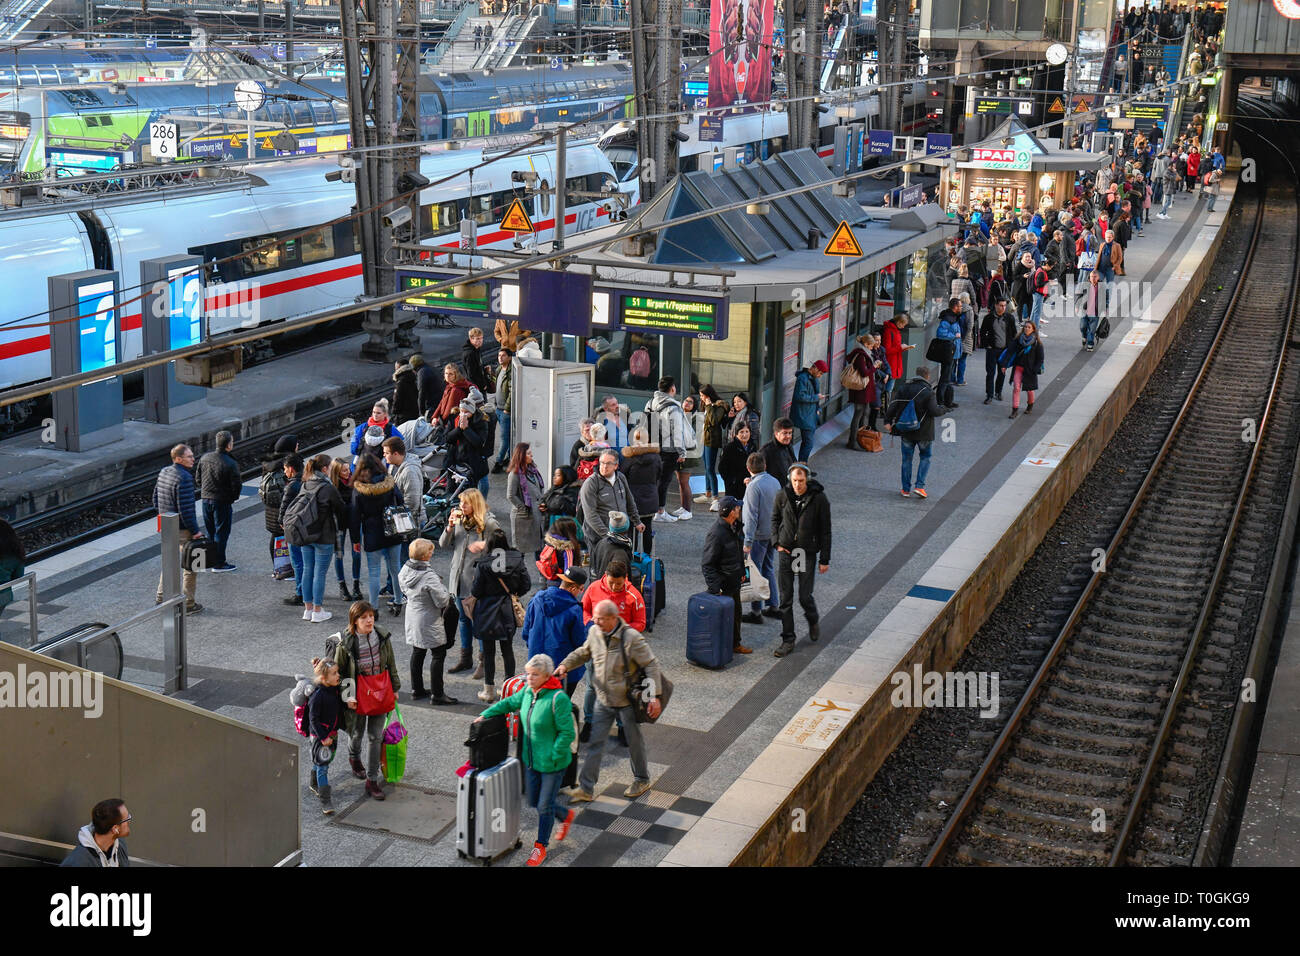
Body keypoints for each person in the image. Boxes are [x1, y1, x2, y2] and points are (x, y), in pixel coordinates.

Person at [554, 599, 663, 801]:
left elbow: (651, 664)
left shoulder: (631, 638)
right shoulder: (595, 632)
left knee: (634, 741)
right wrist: (565, 665)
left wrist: (654, 697)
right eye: (595, 617)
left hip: (627, 700)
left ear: (614, 618)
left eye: (601, 619)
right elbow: (584, 652)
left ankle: (642, 778)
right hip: (603, 698)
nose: (596, 621)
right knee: (596, 742)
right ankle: (586, 788)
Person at [476, 653, 577, 866]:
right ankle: (565, 814)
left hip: (552, 763)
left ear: (547, 676)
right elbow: (509, 703)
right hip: (531, 760)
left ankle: (540, 847)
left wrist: (554, 754)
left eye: (535, 675)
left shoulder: (558, 699)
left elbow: (567, 733)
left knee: (543, 806)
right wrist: (487, 714)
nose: (529, 678)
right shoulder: (528, 693)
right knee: (533, 801)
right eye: (528, 674)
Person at [333, 600, 401, 800]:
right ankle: (354, 757)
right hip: (358, 693)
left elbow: (391, 662)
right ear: (354, 621)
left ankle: (372, 781)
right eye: (363, 617)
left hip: (380, 690)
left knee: (375, 737)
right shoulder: (346, 643)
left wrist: (395, 688)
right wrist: (348, 697)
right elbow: (341, 671)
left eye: (370, 616)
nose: (369, 620)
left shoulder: (381, 636)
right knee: (357, 733)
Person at [771, 463, 832, 658]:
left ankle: (812, 619)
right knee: (785, 598)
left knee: (805, 596)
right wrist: (776, 542)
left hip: (806, 551)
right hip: (787, 550)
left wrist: (825, 558)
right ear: (790, 479)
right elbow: (774, 519)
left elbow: (825, 530)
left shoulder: (819, 498)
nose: (797, 485)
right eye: (795, 481)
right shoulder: (782, 495)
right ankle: (788, 639)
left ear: (808, 479)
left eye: (801, 481)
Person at [440, 488, 500, 677]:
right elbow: (443, 544)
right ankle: (466, 658)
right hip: (458, 579)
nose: (461, 507)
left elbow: (502, 547)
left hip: (477, 581)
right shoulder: (459, 520)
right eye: (460, 503)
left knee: (479, 622)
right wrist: (449, 527)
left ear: (475, 504)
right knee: (463, 620)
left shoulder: (489, 522)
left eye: (465, 503)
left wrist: (485, 545)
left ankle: (484, 661)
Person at [468, 527, 530, 702]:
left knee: (488, 653)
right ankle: (508, 689)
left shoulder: (483, 564)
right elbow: (526, 584)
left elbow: (476, 591)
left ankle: (488, 690)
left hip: (486, 611)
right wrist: (513, 593)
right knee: (507, 650)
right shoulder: (517, 559)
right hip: (506, 610)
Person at [398, 537, 458, 705]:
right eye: (430, 551)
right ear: (425, 556)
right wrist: (447, 592)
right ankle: (438, 694)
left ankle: (416, 688)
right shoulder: (429, 576)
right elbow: (442, 601)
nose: (432, 553)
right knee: (438, 653)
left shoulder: (405, 570)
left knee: (418, 651)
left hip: (413, 614)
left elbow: (404, 589)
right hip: (429, 618)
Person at [293, 453, 350, 623]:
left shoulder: (306, 483)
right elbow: (341, 508)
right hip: (324, 536)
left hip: (306, 534)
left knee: (307, 570)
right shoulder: (327, 487)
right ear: (325, 469)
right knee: (319, 573)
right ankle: (318, 610)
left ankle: (308, 609)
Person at [349, 453, 407, 612]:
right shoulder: (389, 482)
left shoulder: (359, 489)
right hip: (392, 531)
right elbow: (400, 500)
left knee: (374, 572)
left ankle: (373, 608)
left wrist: (355, 540)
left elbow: (354, 517)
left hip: (372, 534)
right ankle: (398, 600)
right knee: (395, 569)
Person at [153, 443, 202, 614]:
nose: (193, 459)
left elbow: (155, 498)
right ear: (179, 459)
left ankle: (161, 597)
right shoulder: (185, 478)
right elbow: (186, 509)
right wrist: (195, 531)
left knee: (169, 561)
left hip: (166, 524)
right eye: (189, 456)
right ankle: (188, 603)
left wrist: (162, 514)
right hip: (183, 529)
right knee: (192, 565)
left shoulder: (164, 472)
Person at [524, 567, 588, 697]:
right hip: (562, 672)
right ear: (573, 588)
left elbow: (526, 632)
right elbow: (579, 643)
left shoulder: (537, 599)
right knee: (558, 707)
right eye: (581, 589)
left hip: (536, 666)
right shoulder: (574, 610)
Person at [702, 495, 751, 655]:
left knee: (736, 614)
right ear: (730, 512)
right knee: (725, 618)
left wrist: (742, 572)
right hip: (723, 585)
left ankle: (735, 644)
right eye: (736, 507)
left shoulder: (734, 527)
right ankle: (720, 649)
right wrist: (716, 588)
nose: (739, 508)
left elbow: (737, 553)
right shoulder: (716, 534)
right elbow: (707, 564)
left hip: (734, 580)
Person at [886, 365, 944, 499]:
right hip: (924, 431)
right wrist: (944, 409)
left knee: (906, 460)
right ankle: (919, 487)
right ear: (927, 376)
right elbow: (934, 411)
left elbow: (893, 404)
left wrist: (888, 421)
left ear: (916, 374)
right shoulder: (928, 392)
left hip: (906, 430)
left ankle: (905, 489)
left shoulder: (904, 388)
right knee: (925, 457)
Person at [741, 451, 782, 624]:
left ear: (748, 468)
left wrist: (747, 541)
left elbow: (751, 516)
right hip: (774, 532)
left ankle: (756, 612)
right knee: (768, 568)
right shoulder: (774, 481)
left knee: (755, 572)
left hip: (758, 536)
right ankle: (774, 606)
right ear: (765, 466)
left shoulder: (753, 487)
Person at [646, 376, 692, 521]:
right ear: (672, 388)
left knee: (654, 479)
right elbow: (677, 432)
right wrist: (682, 452)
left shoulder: (651, 402)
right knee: (664, 481)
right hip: (669, 450)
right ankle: (660, 511)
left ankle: (653, 510)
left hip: (653, 447)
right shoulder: (673, 407)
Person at [578, 448, 643, 548]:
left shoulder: (621, 477)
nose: (604, 466)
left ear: (616, 466)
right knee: (601, 563)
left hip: (620, 533)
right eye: (602, 462)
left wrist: (637, 521)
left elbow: (630, 501)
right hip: (598, 537)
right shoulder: (591, 483)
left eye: (608, 463)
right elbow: (590, 515)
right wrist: (608, 535)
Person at [195, 429, 240, 572]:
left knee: (210, 531)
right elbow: (236, 486)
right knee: (221, 532)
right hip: (222, 502)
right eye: (232, 442)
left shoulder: (205, 458)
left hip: (205, 500)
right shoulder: (230, 463)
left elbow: (198, 479)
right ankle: (219, 563)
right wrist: (232, 498)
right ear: (228, 445)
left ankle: (210, 558)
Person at [307, 657, 343, 814]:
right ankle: (326, 801)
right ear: (323, 678)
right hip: (321, 737)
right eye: (334, 673)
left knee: (322, 761)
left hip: (331, 735)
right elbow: (313, 719)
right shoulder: (318, 696)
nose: (338, 676)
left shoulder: (334, 689)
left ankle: (313, 783)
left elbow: (336, 707)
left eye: (338, 672)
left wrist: (347, 705)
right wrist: (323, 737)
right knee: (323, 766)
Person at [259, 434, 297, 578]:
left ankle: (277, 568)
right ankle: (287, 569)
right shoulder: (287, 463)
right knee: (287, 538)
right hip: (284, 505)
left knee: (275, 536)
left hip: (270, 507)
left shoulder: (268, 463)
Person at [327, 458, 363, 602]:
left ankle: (356, 584)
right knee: (339, 554)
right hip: (339, 524)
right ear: (336, 472)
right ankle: (342, 586)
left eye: (348, 469)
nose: (348, 472)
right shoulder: (332, 486)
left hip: (355, 523)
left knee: (357, 554)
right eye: (344, 470)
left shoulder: (355, 481)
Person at [382, 435, 424, 559]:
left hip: (408, 523)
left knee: (405, 561)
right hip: (401, 520)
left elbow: (413, 501)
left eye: (386, 453)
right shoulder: (393, 465)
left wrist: (398, 521)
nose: (384, 455)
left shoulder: (409, 471)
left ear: (395, 454)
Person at [59, 798, 131, 867]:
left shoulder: (120, 845)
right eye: (127, 819)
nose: (129, 821)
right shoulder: (77, 862)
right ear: (115, 829)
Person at [619, 428, 662, 538]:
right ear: (647, 439)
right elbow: (659, 475)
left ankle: (633, 554)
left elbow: (622, 476)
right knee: (648, 528)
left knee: (632, 531)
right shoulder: (656, 457)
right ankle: (647, 554)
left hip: (633, 497)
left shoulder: (629, 458)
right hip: (651, 495)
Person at [505, 441, 545, 556]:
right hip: (522, 518)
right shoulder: (514, 474)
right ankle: (518, 572)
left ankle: (542, 573)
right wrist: (524, 508)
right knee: (519, 551)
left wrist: (541, 502)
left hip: (535, 515)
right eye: (528, 454)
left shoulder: (533, 470)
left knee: (539, 547)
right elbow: (511, 495)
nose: (531, 456)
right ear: (521, 456)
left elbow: (539, 488)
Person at [444, 399, 490, 497]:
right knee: (450, 492)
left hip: (472, 462)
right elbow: (448, 438)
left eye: (466, 412)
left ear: (473, 412)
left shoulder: (481, 421)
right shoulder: (454, 418)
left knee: (470, 495)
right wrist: (459, 429)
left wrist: (466, 429)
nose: (463, 414)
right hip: (455, 461)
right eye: (461, 411)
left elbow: (479, 443)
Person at [280, 454, 307, 607]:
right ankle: (309, 590)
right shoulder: (307, 481)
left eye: (285, 469)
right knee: (308, 561)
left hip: (294, 529)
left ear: (291, 469)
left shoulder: (292, 486)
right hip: (307, 527)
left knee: (297, 562)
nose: (284, 472)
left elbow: (284, 508)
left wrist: (281, 523)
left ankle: (300, 592)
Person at [980, 298, 1017, 404]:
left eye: (1005, 306)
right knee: (990, 373)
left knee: (1002, 373)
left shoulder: (1009, 318)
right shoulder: (989, 318)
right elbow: (983, 332)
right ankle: (989, 395)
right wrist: (987, 345)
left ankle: (998, 392)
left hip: (1004, 351)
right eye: (1001, 305)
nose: (1003, 308)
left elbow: (1014, 333)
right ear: (996, 305)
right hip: (992, 350)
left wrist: (1011, 348)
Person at [697, 385, 727, 510]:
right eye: (700, 396)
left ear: (708, 395)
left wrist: (709, 405)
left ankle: (715, 498)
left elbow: (714, 421)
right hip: (704, 440)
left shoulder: (719, 406)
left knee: (710, 468)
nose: (701, 398)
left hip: (712, 441)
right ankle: (708, 493)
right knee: (706, 467)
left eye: (702, 396)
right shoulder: (705, 405)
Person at [1007, 320, 1045, 420]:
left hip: (1030, 370)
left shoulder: (1037, 344)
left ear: (1033, 330)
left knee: (1029, 390)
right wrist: (1004, 364)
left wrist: (1034, 370)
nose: (1026, 329)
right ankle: (1015, 410)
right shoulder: (1018, 340)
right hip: (1018, 368)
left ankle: (1030, 404)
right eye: (1025, 327)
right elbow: (1010, 351)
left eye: (1029, 327)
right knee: (1016, 388)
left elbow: (1040, 359)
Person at [790, 360, 827, 461]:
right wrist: (816, 398)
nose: (820, 375)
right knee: (808, 443)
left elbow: (814, 394)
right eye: (820, 373)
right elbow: (800, 396)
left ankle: (802, 466)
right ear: (814, 368)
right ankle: (802, 467)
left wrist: (818, 408)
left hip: (810, 413)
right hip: (804, 414)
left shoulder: (813, 378)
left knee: (807, 443)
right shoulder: (803, 378)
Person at [718, 420, 759, 499]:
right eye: (741, 432)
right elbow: (722, 468)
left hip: (749, 485)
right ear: (736, 434)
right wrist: (733, 481)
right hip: (734, 488)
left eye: (747, 431)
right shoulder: (729, 447)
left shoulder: (753, 446)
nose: (745, 434)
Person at [934, 298, 963, 409]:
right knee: (945, 378)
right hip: (948, 352)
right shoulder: (947, 319)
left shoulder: (953, 317)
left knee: (949, 378)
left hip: (953, 352)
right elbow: (940, 334)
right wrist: (954, 336)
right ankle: (941, 402)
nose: (961, 308)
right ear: (955, 307)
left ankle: (948, 401)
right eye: (960, 306)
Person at [537, 516, 583, 585]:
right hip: (561, 582)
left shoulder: (550, 542)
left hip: (550, 579)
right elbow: (568, 569)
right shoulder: (567, 547)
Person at [881, 314, 915, 405]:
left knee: (889, 388)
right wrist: (900, 348)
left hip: (895, 362)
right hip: (890, 363)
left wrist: (903, 348)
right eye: (903, 324)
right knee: (888, 388)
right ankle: (884, 408)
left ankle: (885, 407)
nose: (903, 327)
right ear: (899, 322)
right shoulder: (889, 331)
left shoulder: (895, 331)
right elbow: (887, 350)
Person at [491, 347, 515, 473]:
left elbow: (512, 391)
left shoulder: (511, 372)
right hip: (498, 409)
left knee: (504, 438)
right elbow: (498, 387)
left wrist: (507, 408)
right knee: (508, 437)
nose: (500, 357)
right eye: (499, 355)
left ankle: (499, 461)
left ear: (509, 357)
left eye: (503, 355)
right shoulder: (499, 369)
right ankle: (511, 459)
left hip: (505, 411)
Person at [538, 465, 581, 532]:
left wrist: (558, 502)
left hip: (564, 529)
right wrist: (542, 505)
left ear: (566, 476)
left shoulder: (573, 490)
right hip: (550, 525)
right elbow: (543, 499)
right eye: (554, 475)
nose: (554, 477)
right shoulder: (554, 489)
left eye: (558, 475)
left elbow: (573, 509)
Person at [410, 354, 443, 420]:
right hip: (440, 400)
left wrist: (421, 412)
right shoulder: (430, 368)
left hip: (432, 404)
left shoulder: (421, 373)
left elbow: (421, 393)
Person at [461, 326, 489, 394]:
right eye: (478, 339)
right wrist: (482, 385)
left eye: (481, 338)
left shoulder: (476, 349)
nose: (480, 340)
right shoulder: (470, 354)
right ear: (471, 339)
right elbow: (471, 374)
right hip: (476, 389)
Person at [391, 359, 419, 425]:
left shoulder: (401, 382)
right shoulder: (412, 377)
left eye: (396, 368)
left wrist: (394, 411)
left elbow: (397, 399)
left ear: (400, 368)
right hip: (414, 413)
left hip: (403, 416)